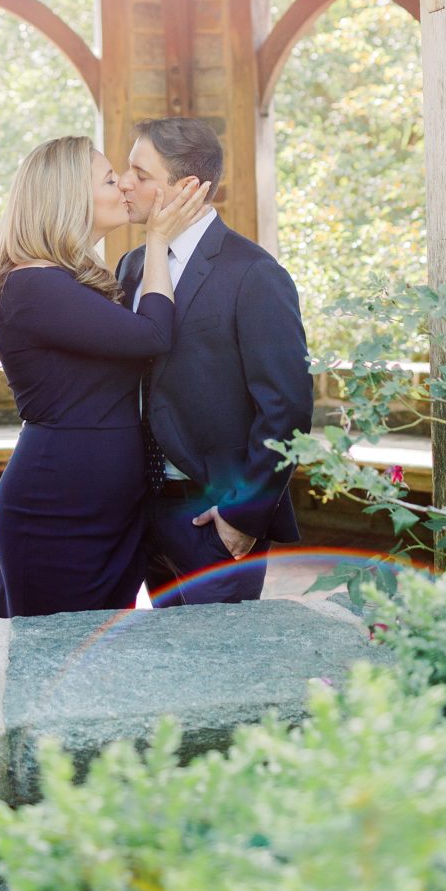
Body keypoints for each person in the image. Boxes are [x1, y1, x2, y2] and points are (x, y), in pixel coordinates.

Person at [0, 135, 211, 618]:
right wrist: (159, 240)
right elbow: (151, 336)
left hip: (105, 503)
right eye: (108, 179)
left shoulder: (72, 279)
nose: (124, 186)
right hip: (59, 509)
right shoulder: (35, 284)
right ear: (68, 197)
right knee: (54, 666)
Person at [116, 117, 313, 608]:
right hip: (142, 511)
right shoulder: (133, 265)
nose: (125, 182)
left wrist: (241, 517)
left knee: (223, 673)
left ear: (185, 188)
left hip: (215, 519)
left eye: (141, 174)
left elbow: (286, 409)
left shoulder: (254, 274)